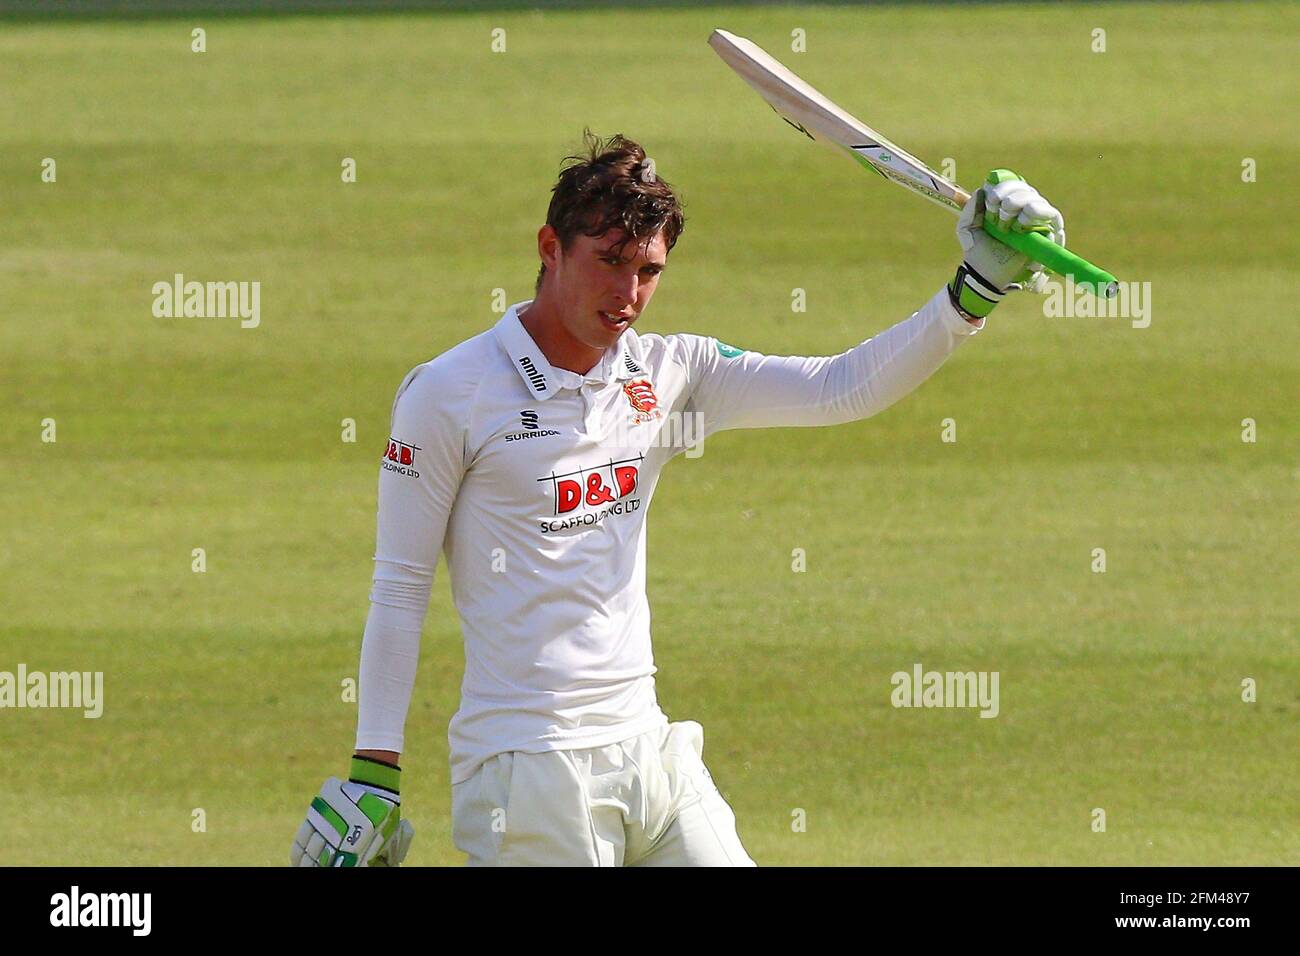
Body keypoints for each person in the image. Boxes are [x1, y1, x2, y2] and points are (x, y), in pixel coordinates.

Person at [290, 130, 1065, 867]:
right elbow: (400, 584)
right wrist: (374, 773)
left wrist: (977, 288)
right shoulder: (449, 393)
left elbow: (842, 387)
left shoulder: (667, 375)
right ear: (550, 248)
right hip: (529, 771)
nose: (627, 294)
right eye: (609, 261)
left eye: (649, 270)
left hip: (651, 751)